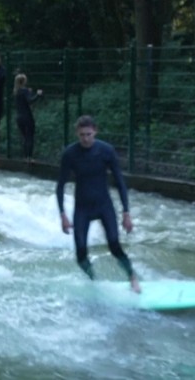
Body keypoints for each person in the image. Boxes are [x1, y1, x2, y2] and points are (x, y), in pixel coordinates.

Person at [56, 115, 141, 293]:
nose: (85, 139)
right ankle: (94, 282)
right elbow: (60, 185)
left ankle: (132, 277)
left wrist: (126, 213)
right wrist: (62, 215)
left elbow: (120, 182)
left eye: (88, 134)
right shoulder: (70, 154)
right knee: (80, 253)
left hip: (104, 206)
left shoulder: (106, 150)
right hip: (82, 208)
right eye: (82, 135)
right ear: (77, 134)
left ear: (95, 131)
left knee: (114, 245)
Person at [12, 73, 42, 162]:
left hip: (19, 117)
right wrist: (38, 95)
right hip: (27, 116)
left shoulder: (16, 92)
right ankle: (30, 157)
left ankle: (25, 157)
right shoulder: (25, 91)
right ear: (24, 81)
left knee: (24, 137)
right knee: (30, 137)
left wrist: (29, 92)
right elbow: (30, 100)